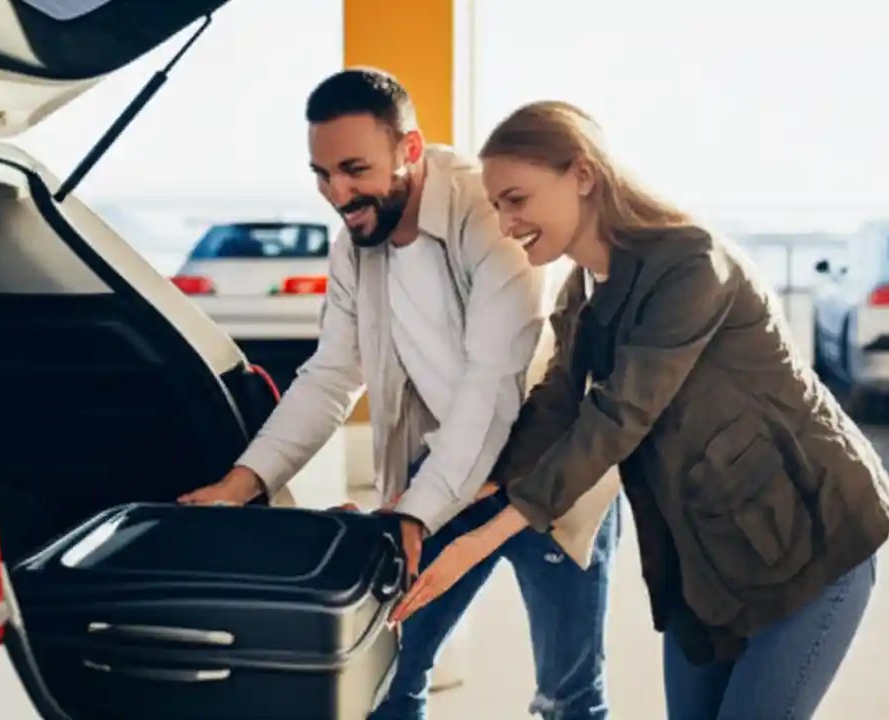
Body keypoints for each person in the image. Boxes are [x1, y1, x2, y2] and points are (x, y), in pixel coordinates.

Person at [391, 101, 889, 720]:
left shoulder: (691, 265)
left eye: (516, 199)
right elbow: (554, 404)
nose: (504, 221)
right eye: (496, 205)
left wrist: (489, 538)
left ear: (582, 174)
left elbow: (616, 417)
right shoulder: (584, 285)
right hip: (706, 570)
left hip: (814, 544)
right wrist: (468, 490)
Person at [177, 70, 620, 720]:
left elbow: (490, 385)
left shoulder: (488, 215)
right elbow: (331, 374)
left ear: (409, 150)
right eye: (322, 174)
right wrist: (243, 482)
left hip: (549, 477)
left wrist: (413, 514)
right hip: (445, 473)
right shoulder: (356, 245)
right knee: (389, 676)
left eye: (355, 169)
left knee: (568, 694)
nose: (337, 193)